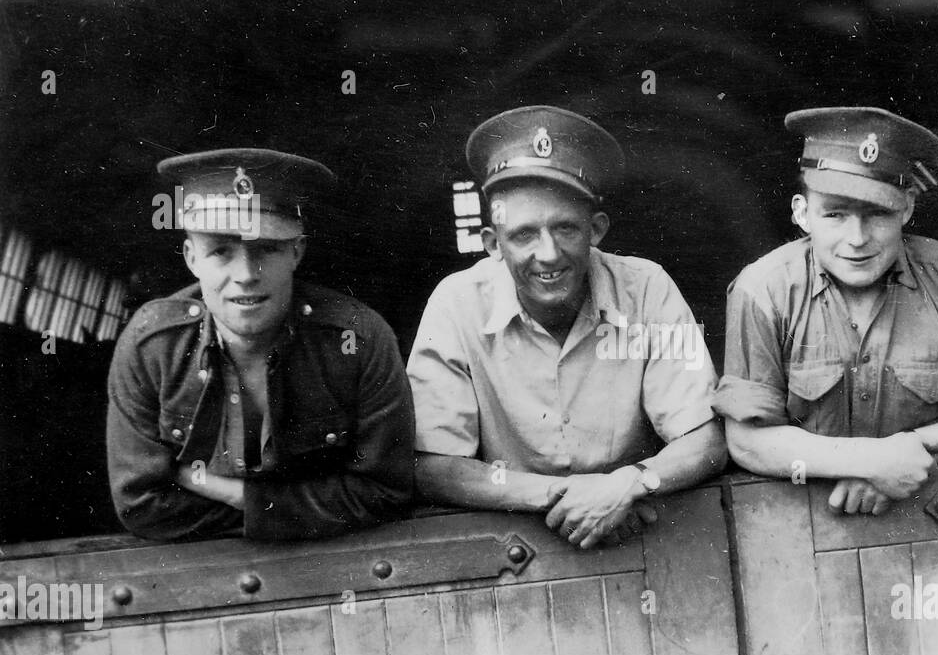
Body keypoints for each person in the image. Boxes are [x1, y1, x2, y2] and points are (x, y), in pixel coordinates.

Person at [407, 106, 726, 549]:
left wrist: (630, 484)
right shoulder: (456, 303)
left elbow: (706, 439)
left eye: (565, 229)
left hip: (648, 543)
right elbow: (435, 466)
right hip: (517, 551)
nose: (549, 253)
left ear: (596, 229)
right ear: (492, 244)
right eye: (523, 235)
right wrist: (576, 497)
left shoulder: (646, 287)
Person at [715, 107, 938, 515]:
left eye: (878, 214)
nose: (857, 239)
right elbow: (746, 439)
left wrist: (908, 455)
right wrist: (871, 462)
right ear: (801, 212)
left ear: (906, 207)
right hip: (805, 529)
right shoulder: (763, 290)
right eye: (834, 214)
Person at [107, 148, 415, 540]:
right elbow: (141, 506)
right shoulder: (150, 347)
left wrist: (234, 494)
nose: (246, 275)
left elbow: (385, 491)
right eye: (221, 251)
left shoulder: (360, 340)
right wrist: (296, 510)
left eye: (266, 249)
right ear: (191, 258)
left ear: (296, 252)